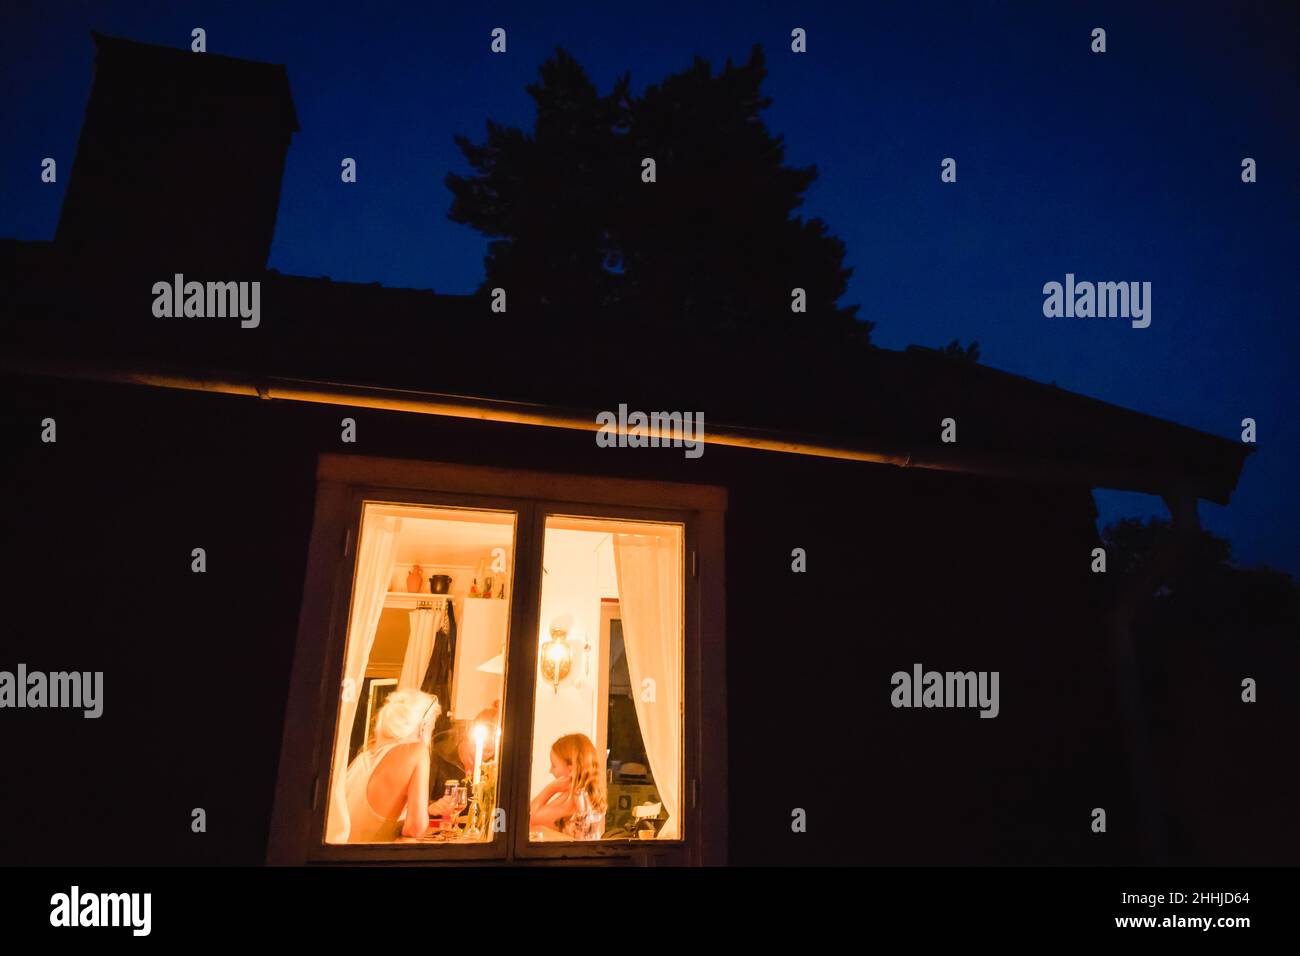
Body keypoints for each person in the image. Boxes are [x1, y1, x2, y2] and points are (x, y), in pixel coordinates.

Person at [342, 689, 439, 842]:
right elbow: (416, 828)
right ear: (423, 725)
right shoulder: (416, 751)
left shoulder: (365, 757)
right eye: (432, 727)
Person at [427, 701, 500, 818]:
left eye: (496, 736)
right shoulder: (438, 755)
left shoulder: (494, 768)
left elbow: (499, 814)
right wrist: (432, 807)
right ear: (470, 732)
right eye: (488, 733)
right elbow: (416, 805)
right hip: (437, 831)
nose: (491, 742)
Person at [529, 733, 607, 840]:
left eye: (554, 765)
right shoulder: (587, 795)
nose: (550, 770)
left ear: (571, 770)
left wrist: (551, 788)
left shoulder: (575, 799)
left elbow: (530, 818)